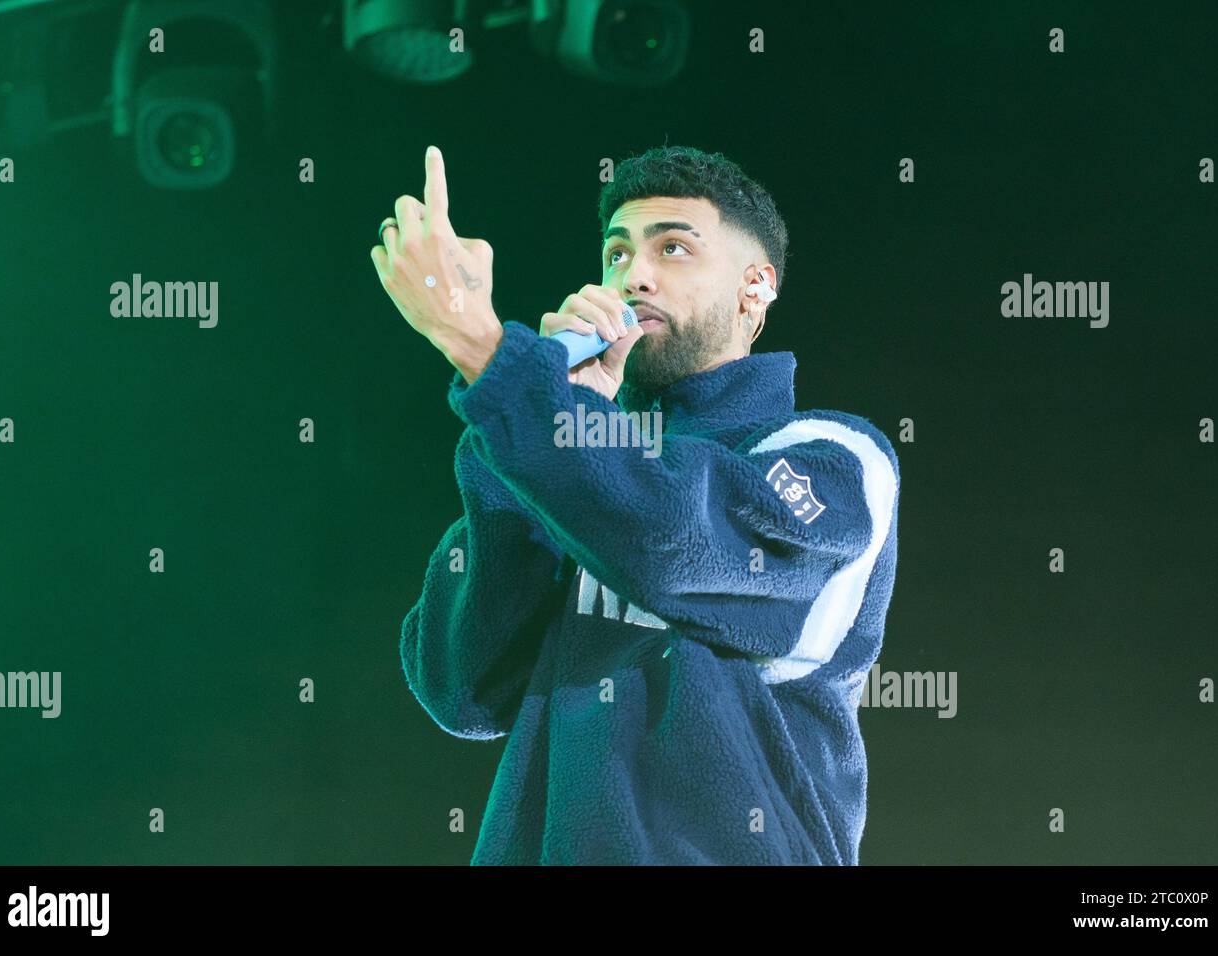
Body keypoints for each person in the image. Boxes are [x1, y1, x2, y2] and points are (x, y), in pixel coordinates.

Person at [372, 144, 901, 864]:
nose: (635, 275)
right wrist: (558, 407)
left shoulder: (833, 457)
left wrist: (494, 358)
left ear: (756, 288)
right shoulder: (582, 462)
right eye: (615, 254)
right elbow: (463, 689)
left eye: (674, 248)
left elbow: (670, 538)